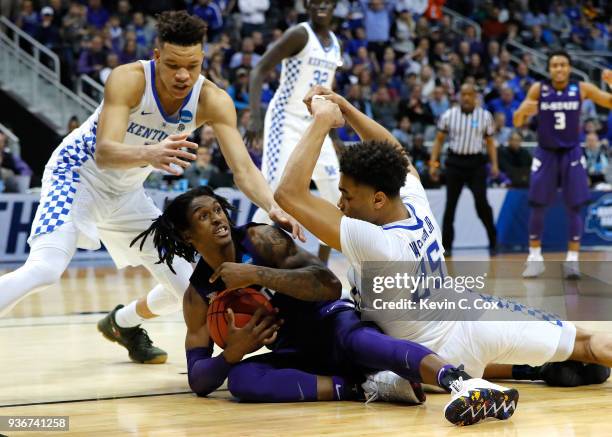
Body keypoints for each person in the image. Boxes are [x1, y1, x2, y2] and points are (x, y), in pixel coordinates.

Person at [275, 85, 612, 414]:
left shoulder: (377, 243)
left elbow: (288, 193)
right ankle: (530, 369)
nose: (340, 203)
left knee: (366, 352)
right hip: (473, 317)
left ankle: (499, 373)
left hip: (429, 356)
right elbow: (394, 152)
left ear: (378, 199)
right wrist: (346, 109)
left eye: (347, 196)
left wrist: (322, 120)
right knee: (585, 344)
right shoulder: (414, 202)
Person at [0, 12, 301, 366]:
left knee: (191, 289)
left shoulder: (212, 100)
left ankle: (123, 324)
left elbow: (243, 168)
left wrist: (273, 204)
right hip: (77, 176)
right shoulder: (128, 80)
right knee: (47, 268)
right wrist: (151, 153)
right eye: (173, 64)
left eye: (192, 65)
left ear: (203, 59)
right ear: (157, 56)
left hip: (127, 195)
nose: (183, 75)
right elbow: (106, 151)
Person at [133, 186, 518, 426]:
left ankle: (463, 384)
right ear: (187, 234)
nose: (216, 217)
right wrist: (231, 353)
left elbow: (329, 286)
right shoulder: (197, 295)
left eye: (217, 209)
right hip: (298, 355)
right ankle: (359, 386)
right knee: (241, 381)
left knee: (362, 344)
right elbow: (200, 380)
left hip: (332, 323)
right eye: (203, 216)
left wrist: (260, 276)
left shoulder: (260, 238)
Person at [246, 0, 342, 263]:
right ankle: (246, 257)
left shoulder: (335, 43)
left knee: (337, 194)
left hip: (317, 123)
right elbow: (259, 70)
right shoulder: (299, 34)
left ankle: (322, 266)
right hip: (285, 120)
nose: (322, 6)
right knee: (274, 195)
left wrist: (333, 136)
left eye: (327, 2)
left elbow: (327, 94)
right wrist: (255, 116)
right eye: (316, 1)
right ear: (307, 5)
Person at [513, 51, 612, 278]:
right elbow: (518, 122)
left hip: (571, 152)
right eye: (555, 65)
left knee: (575, 206)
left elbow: (609, 102)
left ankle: (573, 260)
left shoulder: (582, 88)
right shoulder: (539, 89)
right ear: (549, 69)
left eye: (563, 65)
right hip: (545, 152)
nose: (559, 69)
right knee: (537, 204)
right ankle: (535, 257)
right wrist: (520, 112)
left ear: (569, 68)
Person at [429, 84, 499, 256]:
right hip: (455, 163)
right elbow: (439, 141)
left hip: (476, 163)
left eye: (470, 94)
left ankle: (493, 240)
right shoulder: (449, 115)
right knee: (450, 205)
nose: (466, 97)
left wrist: (495, 164)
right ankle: (446, 246)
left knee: (481, 203)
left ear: (475, 96)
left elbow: (490, 142)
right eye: (463, 94)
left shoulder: (485, 116)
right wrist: (433, 163)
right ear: (459, 96)